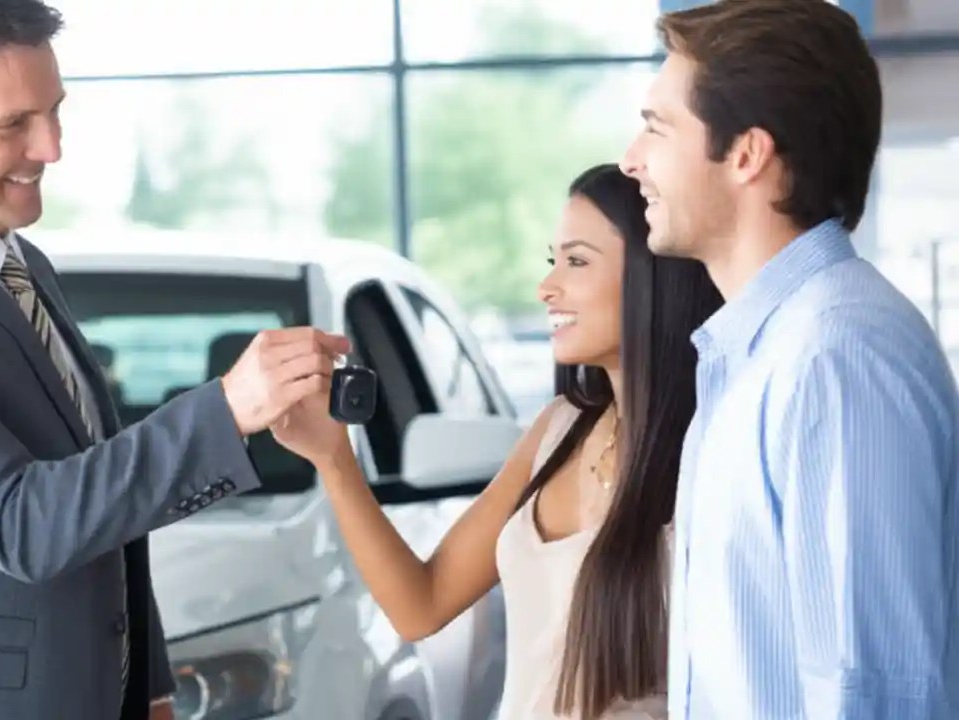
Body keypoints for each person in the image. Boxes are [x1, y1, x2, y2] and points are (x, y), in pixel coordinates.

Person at [0, 2, 347, 719]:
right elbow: (20, 522)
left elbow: (96, 492)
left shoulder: (22, 268)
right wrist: (228, 409)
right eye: (13, 125)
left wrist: (144, 684)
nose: (50, 147)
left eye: (54, 112)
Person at [272, 164, 722, 719]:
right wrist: (334, 458)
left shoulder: (714, 449)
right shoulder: (557, 430)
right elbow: (422, 604)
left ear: (656, 279)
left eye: (576, 262)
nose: (547, 287)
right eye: (552, 261)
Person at [620, 1, 959, 718]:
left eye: (656, 127)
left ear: (747, 153)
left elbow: (873, 691)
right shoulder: (757, 354)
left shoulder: (837, 356)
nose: (631, 160)